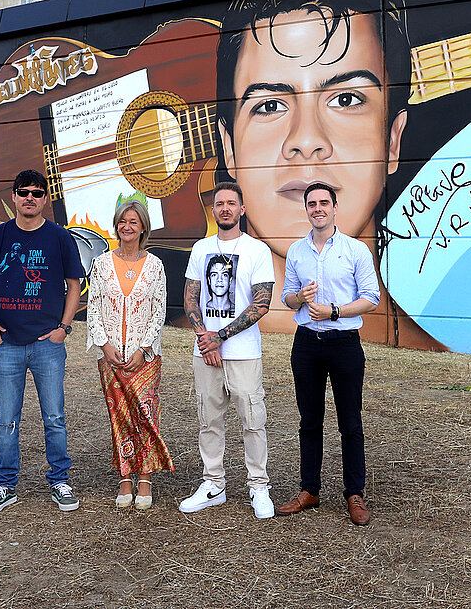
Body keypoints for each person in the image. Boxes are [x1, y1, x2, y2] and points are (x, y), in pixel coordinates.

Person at [213, 0, 442, 350]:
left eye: (346, 99)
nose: (306, 141)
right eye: (269, 105)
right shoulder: (201, 331)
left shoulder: (432, 355)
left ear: (392, 139)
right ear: (229, 147)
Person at [0, 169, 85, 514]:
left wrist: (64, 327)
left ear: (46, 198)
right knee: (7, 418)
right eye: (24, 192)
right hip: (7, 343)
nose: (30, 198)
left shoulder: (60, 237)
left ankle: (60, 480)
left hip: (47, 344)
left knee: (54, 416)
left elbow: (74, 284)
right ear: (14, 196)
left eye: (37, 193)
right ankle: (5, 485)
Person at [277, 183, 379, 526]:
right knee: (309, 420)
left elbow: (371, 297)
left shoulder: (355, 250)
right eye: (312, 204)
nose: (317, 208)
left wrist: (335, 311)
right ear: (306, 209)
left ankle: (354, 494)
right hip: (306, 344)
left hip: (344, 343)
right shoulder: (296, 251)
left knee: (350, 422)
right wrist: (300, 298)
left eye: (324, 202)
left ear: (335, 207)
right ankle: (310, 490)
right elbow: (287, 297)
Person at [180, 181, 275, 519]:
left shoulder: (257, 250)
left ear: (241, 209)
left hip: (244, 353)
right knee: (209, 421)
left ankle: (259, 486)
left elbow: (261, 303)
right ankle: (213, 484)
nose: (225, 209)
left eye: (231, 203)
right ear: (213, 210)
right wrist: (204, 338)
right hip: (205, 353)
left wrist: (219, 336)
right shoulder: (201, 248)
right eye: (220, 203)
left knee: (253, 421)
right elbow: (190, 296)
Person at [85, 200, 174, 509]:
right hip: (110, 357)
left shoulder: (155, 266)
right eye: (123, 221)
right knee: (119, 417)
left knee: (145, 416)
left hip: (144, 358)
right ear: (116, 225)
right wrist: (104, 344)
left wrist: (144, 348)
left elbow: (159, 310)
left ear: (143, 227)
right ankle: (125, 479)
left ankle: (145, 478)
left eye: (133, 222)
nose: (127, 227)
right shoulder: (101, 264)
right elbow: (94, 307)